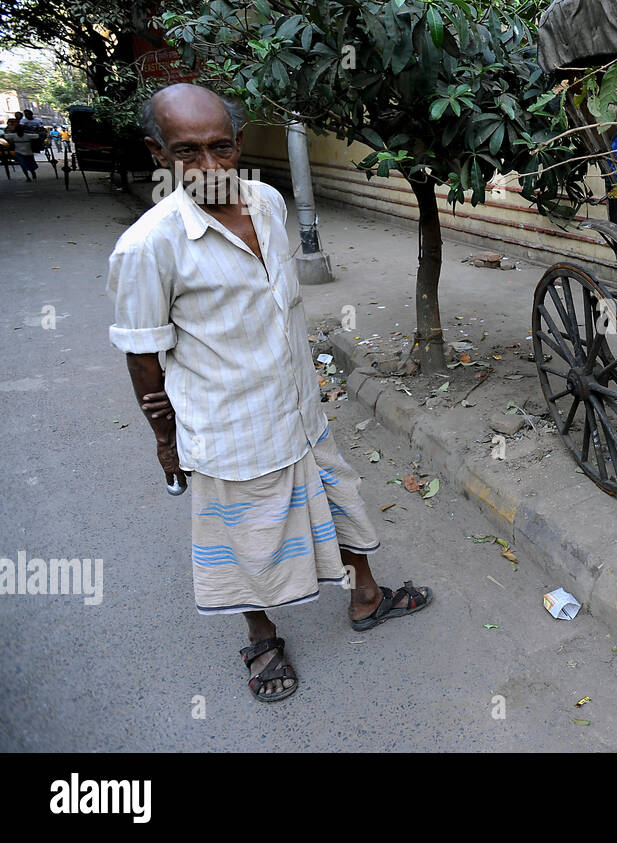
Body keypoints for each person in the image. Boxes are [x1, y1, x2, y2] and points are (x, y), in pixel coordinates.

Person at [107, 83, 431, 703]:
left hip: (299, 408)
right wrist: (165, 443)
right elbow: (142, 358)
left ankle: (366, 596)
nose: (208, 167)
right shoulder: (149, 246)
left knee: (338, 496)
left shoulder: (267, 202)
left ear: (238, 143)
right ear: (158, 152)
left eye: (221, 147)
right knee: (249, 539)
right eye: (187, 152)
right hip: (231, 427)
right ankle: (262, 636)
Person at [4, 116, 39, 181]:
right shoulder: (14, 135)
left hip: (28, 153)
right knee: (23, 165)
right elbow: (5, 136)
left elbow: (37, 135)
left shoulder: (27, 135)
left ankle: (32, 172)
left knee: (30, 165)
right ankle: (27, 177)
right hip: (19, 152)